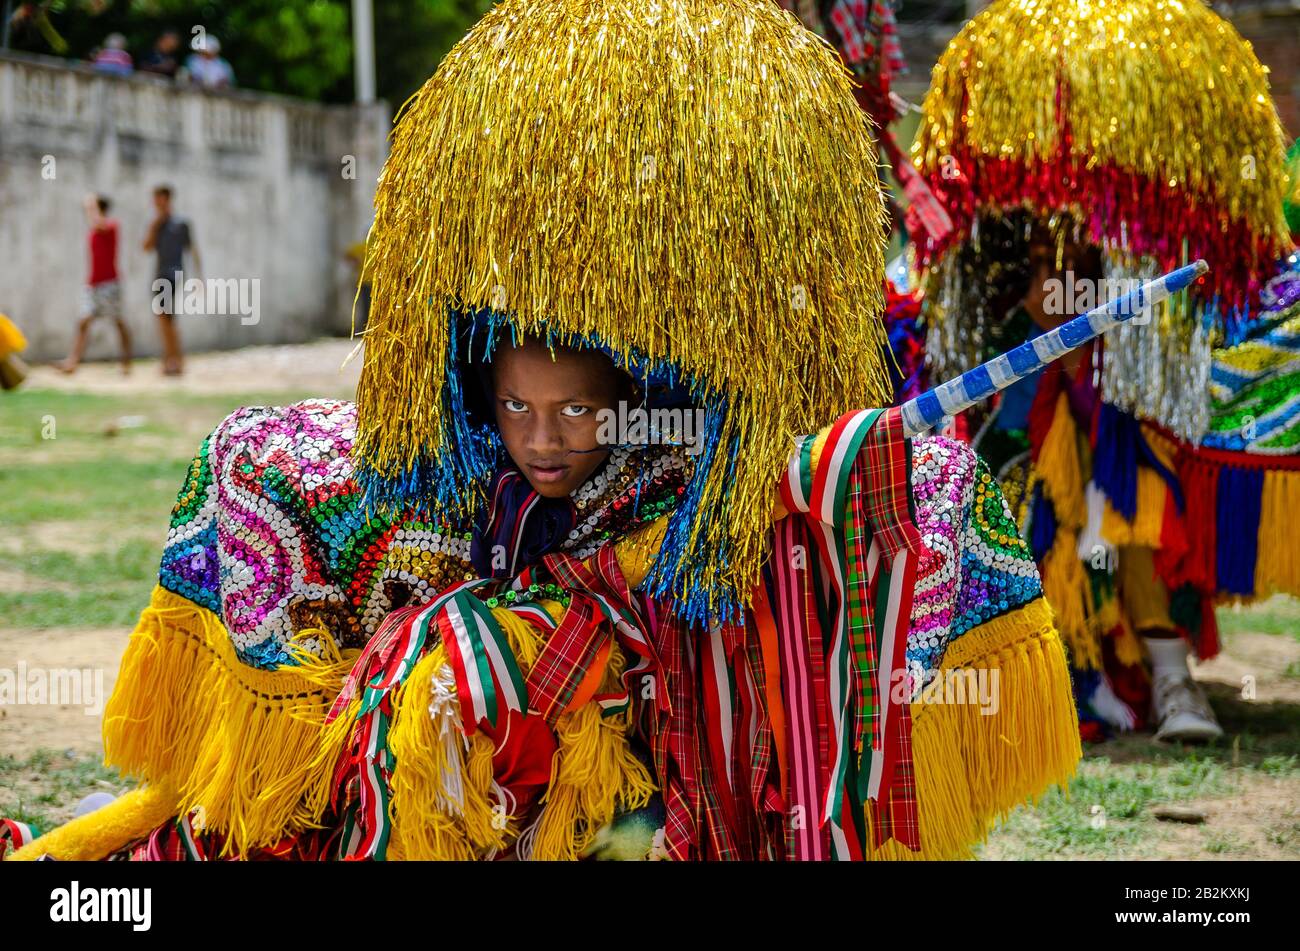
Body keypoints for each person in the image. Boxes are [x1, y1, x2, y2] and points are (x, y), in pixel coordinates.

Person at [7, 0, 1080, 863]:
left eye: (574, 413)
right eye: (517, 410)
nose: (543, 439)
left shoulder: (687, 478)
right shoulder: (459, 476)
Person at [910, 0, 1296, 743]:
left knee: (1132, 509)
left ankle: (1173, 683)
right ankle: (1035, 680)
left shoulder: (1152, 296)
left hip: (1130, 415)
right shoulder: (999, 309)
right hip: (1027, 423)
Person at [57, 194, 131, 375]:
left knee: (118, 322)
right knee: (83, 322)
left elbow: (99, 223)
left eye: (92, 207)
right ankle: (72, 363)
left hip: (110, 284)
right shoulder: (92, 231)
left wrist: (91, 205)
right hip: (93, 285)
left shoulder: (111, 226)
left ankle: (126, 362)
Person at [143, 185, 199, 376]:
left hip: (173, 275)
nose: (157, 203)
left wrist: (199, 278)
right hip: (160, 274)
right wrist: (155, 225)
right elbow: (146, 247)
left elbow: (192, 250)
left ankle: (174, 361)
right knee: (165, 318)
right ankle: (172, 359)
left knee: (166, 317)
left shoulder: (181, 224)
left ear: (167, 199)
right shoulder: (156, 224)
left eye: (160, 199)